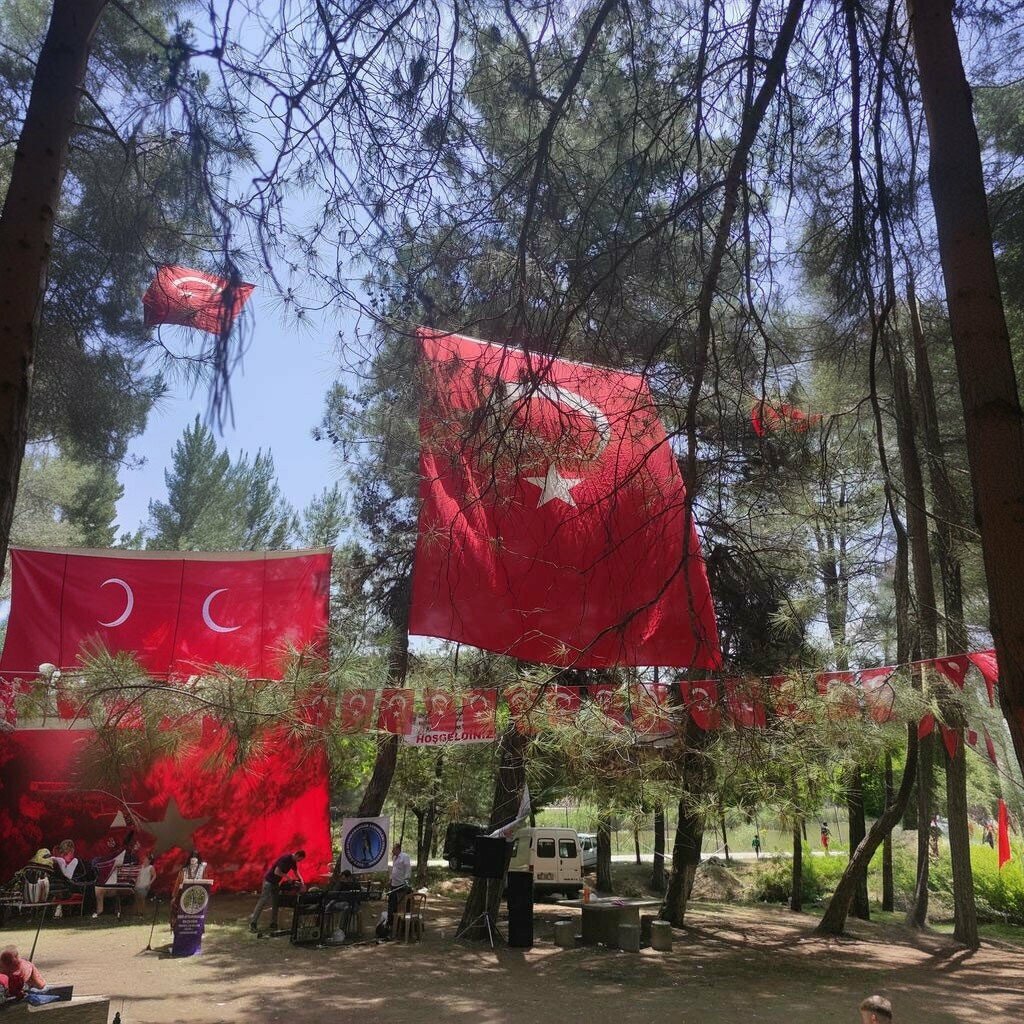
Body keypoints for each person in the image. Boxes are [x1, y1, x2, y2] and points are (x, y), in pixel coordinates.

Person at [249, 850, 306, 933]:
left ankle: (273, 923)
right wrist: (288, 877)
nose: (299, 861)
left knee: (276, 903)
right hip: (268, 882)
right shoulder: (285, 858)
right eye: (299, 859)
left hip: (276, 883)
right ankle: (253, 923)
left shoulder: (293, 862)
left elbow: (296, 872)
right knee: (262, 901)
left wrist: (302, 882)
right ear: (297, 855)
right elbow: (277, 872)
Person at [170, 850, 207, 930]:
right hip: (184, 895)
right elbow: (178, 883)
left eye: (195, 858)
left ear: (198, 859)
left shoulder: (202, 869)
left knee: (198, 912)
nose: (193, 859)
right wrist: (174, 896)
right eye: (192, 858)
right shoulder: (184, 870)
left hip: (198, 895)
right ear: (189, 859)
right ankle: (180, 928)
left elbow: (206, 883)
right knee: (175, 905)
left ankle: (199, 929)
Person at [384, 842, 413, 936]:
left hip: (401, 885)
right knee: (391, 904)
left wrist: (406, 880)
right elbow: (394, 870)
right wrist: (390, 880)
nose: (392, 851)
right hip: (394, 884)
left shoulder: (404, 857)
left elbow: (408, 869)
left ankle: (402, 924)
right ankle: (391, 923)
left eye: (394, 849)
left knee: (401, 903)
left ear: (398, 849)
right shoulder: (394, 858)